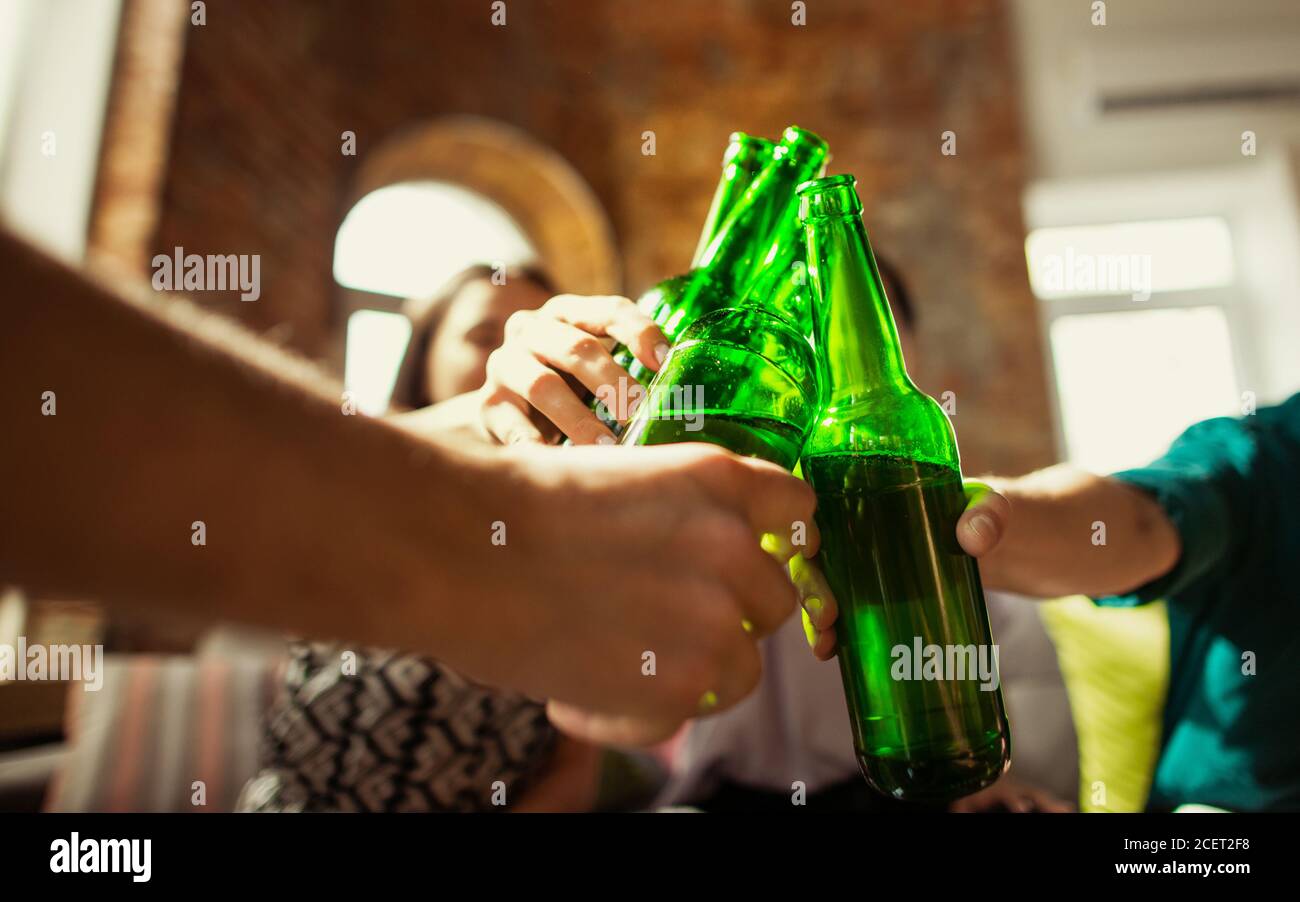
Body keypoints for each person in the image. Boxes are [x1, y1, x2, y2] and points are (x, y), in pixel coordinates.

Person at [0, 227, 819, 755]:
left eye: (545, 327)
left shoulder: (606, 497)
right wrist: (481, 489)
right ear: (422, 345)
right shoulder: (359, 473)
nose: (529, 351)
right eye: (483, 331)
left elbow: (611, 718)